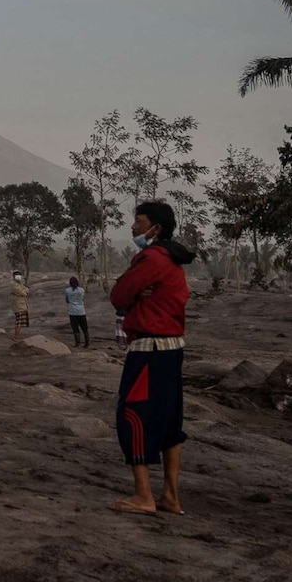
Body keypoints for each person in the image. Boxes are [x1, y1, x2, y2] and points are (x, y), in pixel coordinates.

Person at [108, 201, 194, 516]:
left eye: (138, 221)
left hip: (149, 351)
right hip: (173, 349)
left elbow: (118, 296)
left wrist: (131, 296)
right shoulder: (174, 260)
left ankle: (143, 495)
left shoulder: (151, 258)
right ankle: (170, 496)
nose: (133, 227)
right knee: (171, 421)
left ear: (154, 228)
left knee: (132, 416)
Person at [65, 276, 89, 348]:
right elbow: (83, 299)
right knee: (85, 328)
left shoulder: (67, 290)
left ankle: (77, 343)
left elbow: (67, 300)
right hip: (81, 311)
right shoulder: (82, 290)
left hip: (73, 312)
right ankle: (87, 343)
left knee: (75, 329)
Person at [10, 271, 29, 340]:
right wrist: (25, 290)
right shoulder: (14, 284)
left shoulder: (19, 283)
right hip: (19, 305)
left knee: (20, 322)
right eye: (17, 275)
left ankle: (17, 336)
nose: (18, 276)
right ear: (14, 276)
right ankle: (16, 336)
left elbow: (27, 289)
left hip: (21, 304)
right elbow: (23, 293)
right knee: (19, 322)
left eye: (19, 275)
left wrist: (25, 290)